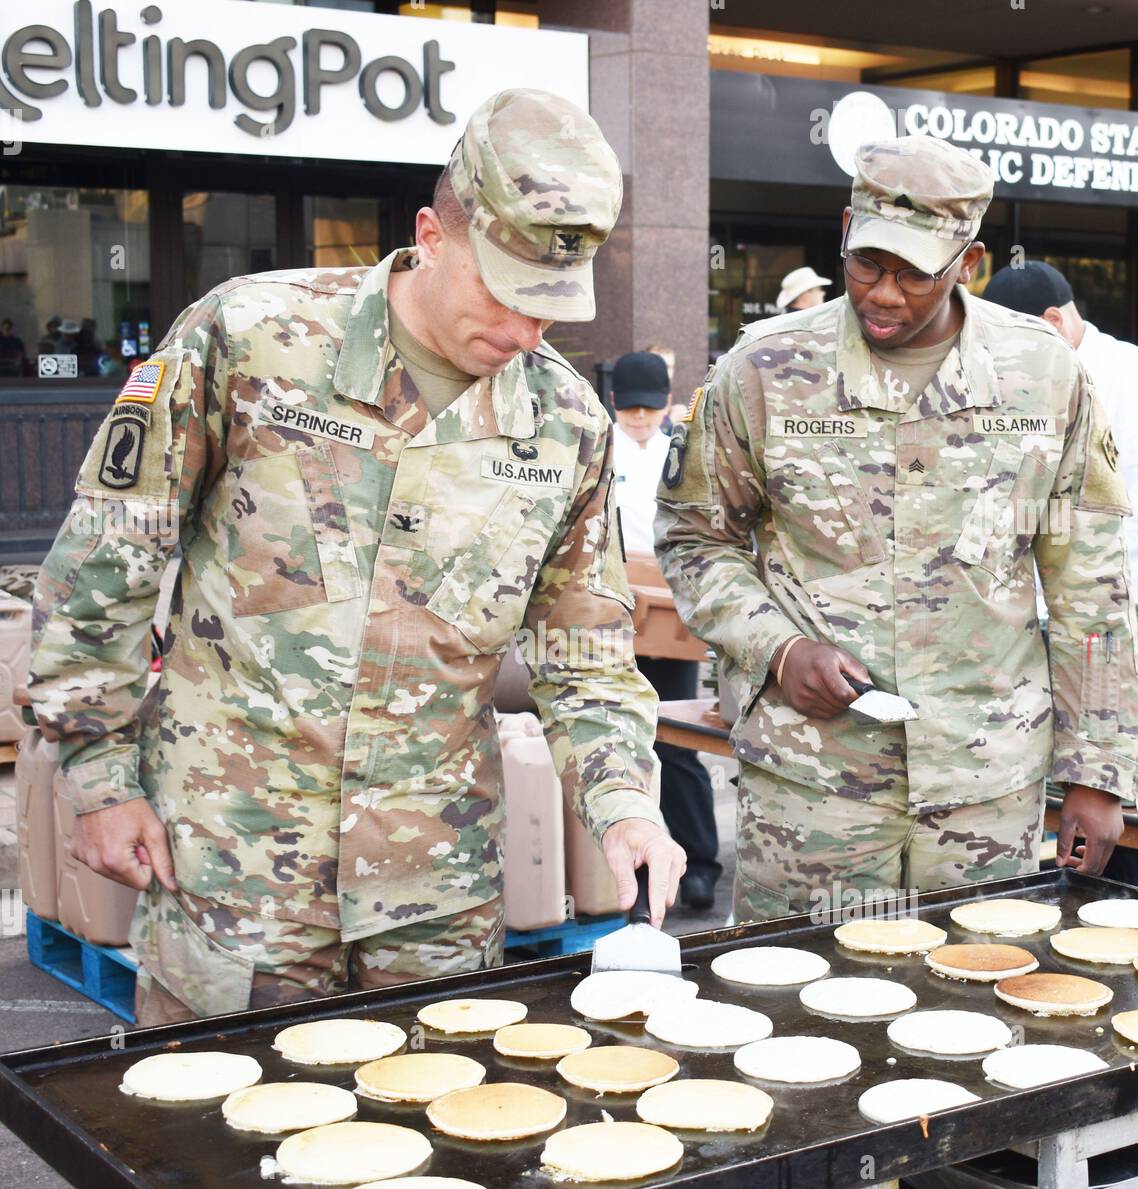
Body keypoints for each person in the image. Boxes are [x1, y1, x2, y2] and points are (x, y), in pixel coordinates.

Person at [27, 88, 686, 1025]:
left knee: (450, 1145)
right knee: (217, 1154)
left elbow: (585, 654)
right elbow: (111, 554)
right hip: (235, 873)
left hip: (436, 898)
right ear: (432, 233)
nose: (525, 335)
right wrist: (95, 776)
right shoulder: (252, 338)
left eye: (552, 311)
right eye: (505, 293)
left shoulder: (566, 422)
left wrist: (623, 804)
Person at [656, 134, 1137, 924]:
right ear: (846, 227)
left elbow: (1092, 583)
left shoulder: (1045, 374)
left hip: (986, 786)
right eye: (867, 263)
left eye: (916, 273)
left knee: (980, 1006)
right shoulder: (763, 372)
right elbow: (693, 536)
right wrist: (779, 648)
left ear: (969, 262)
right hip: (814, 785)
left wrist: (1098, 772)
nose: (884, 293)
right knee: (792, 1018)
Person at [611, 351, 722, 909]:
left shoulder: (680, 448)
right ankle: (624, 873)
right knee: (616, 743)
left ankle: (699, 861)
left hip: (669, 617)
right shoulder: (598, 447)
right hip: (609, 615)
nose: (638, 419)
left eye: (648, 410)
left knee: (675, 741)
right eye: (629, 409)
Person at [983, 260, 1138, 585]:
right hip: (1033, 597)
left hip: (1119, 593)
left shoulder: (1129, 376)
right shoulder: (1023, 379)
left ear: (1053, 322)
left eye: (1010, 343)